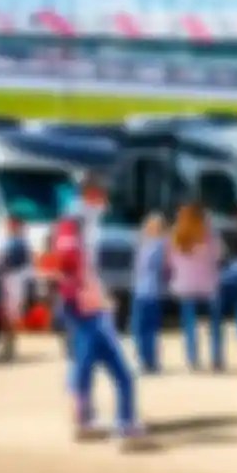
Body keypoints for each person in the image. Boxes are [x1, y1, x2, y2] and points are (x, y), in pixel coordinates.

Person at [53, 185, 143, 449]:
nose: (103, 205)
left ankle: (87, 418)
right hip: (87, 307)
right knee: (106, 367)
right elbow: (73, 264)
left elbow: (73, 266)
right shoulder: (76, 225)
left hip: (84, 305)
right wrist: (95, 296)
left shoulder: (74, 224)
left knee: (85, 364)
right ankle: (120, 422)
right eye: (101, 199)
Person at [169, 202, 225, 372]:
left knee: (190, 324)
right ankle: (216, 360)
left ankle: (193, 359)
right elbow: (219, 255)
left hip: (186, 286)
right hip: (208, 286)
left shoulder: (178, 236)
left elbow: (171, 261)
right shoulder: (208, 236)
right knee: (214, 325)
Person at [130, 212, 168, 374]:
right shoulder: (145, 244)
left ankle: (148, 361)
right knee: (143, 328)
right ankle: (147, 360)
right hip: (143, 291)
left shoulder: (159, 245)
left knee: (145, 328)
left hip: (150, 292)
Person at [0, 215, 32, 360]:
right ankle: (8, 346)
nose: (8, 227)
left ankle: (9, 347)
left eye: (11, 225)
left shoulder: (19, 243)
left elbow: (13, 262)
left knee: (11, 313)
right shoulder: (9, 241)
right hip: (8, 280)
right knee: (8, 314)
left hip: (13, 281)